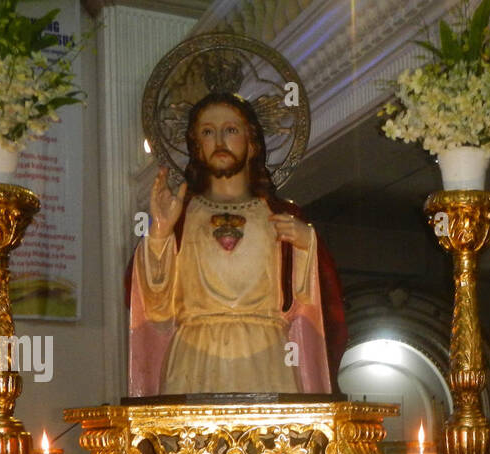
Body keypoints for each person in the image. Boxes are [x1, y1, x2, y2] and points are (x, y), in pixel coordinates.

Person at [128, 92, 345, 396]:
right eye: (207, 132)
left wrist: (306, 244)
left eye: (230, 129)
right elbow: (155, 310)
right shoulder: (181, 216)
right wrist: (161, 234)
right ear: (196, 146)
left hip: (266, 355)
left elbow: (314, 304)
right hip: (194, 355)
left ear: (252, 143)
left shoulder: (282, 215)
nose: (219, 140)